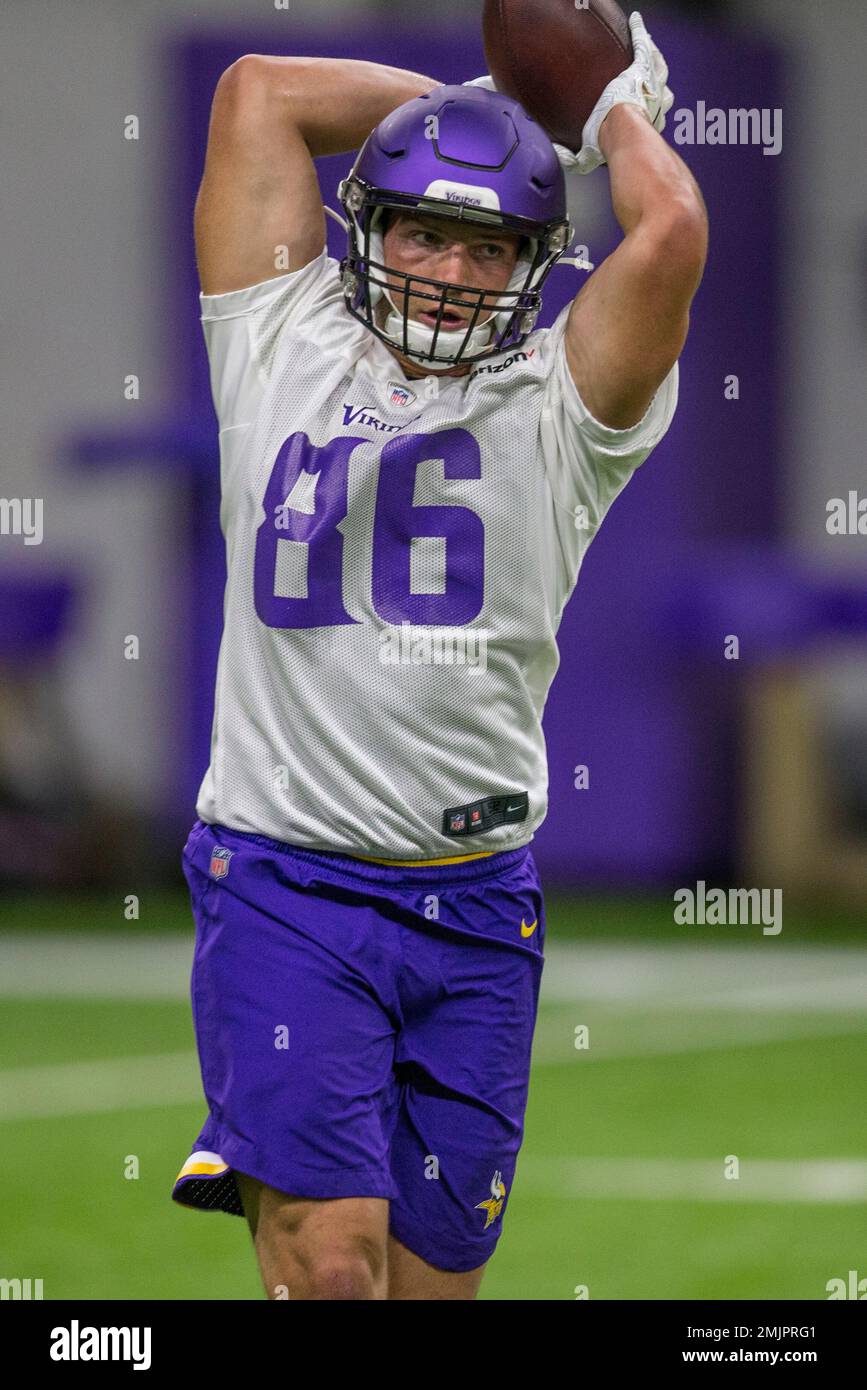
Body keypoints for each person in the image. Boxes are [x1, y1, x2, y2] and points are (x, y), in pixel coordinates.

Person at [171, 12, 707, 1300]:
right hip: (286, 888)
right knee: (335, 1269)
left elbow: (673, 230)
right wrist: (479, 111)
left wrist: (599, 111)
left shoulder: (563, 408)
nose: (451, 268)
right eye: (424, 226)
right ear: (369, 226)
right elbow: (259, 92)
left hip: (475, 909)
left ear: (533, 263)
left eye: (488, 242)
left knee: (428, 1292)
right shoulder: (278, 336)